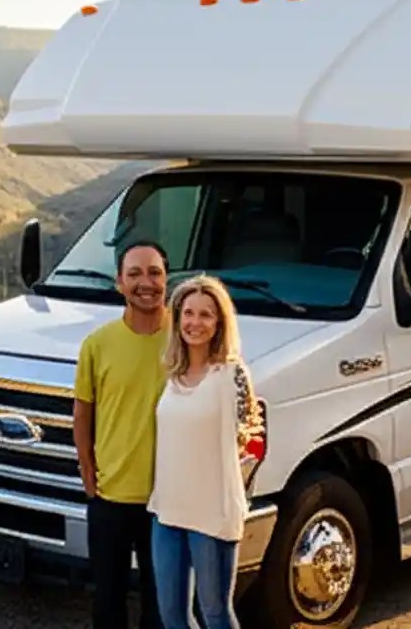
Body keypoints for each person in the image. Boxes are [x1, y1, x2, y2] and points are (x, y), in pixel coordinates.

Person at [148, 274, 265, 629]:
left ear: (219, 323)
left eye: (205, 315)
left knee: (214, 613)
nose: (194, 323)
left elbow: (251, 435)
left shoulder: (231, 374)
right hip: (166, 511)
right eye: (188, 313)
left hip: (212, 514)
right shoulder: (172, 374)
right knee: (171, 616)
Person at [73, 240, 171, 629]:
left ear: (168, 279)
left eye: (154, 272)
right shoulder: (98, 344)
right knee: (108, 604)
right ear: (119, 282)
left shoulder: (188, 339)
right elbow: (83, 412)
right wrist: (87, 470)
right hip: (110, 497)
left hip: (168, 501)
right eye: (134, 274)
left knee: (160, 606)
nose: (145, 282)